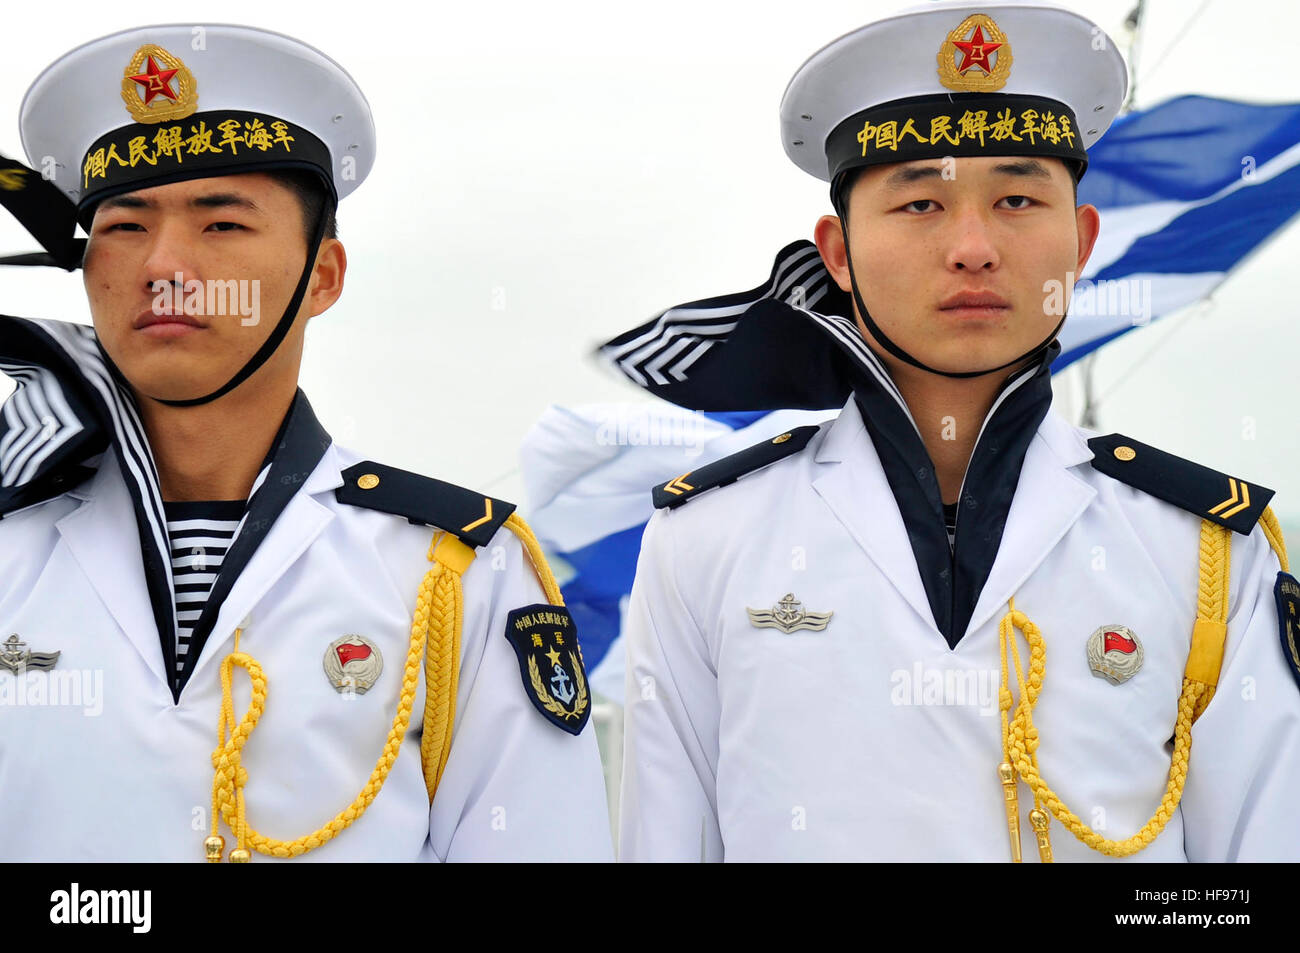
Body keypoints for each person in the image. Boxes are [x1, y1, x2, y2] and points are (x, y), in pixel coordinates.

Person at [605, 0, 1300, 861]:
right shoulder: (706, 540)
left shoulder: (1207, 552)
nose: (973, 247)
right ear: (837, 252)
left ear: (1079, 240)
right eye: (921, 204)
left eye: (1016, 197)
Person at [0, 24, 612, 862]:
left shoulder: (453, 570)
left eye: (221, 226)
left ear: (322, 275)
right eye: (126, 226)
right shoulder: (11, 546)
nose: (164, 264)